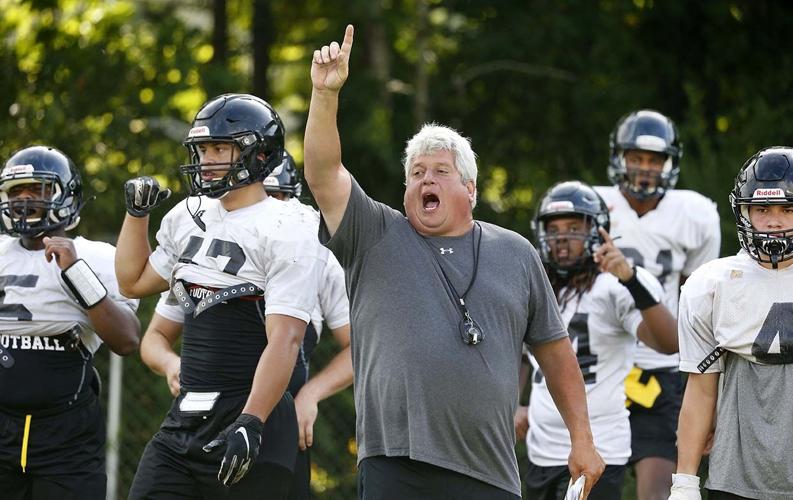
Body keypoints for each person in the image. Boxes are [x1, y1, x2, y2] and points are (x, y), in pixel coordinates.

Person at [304, 25, 605, 500]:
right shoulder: (375, 235)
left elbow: (556, 355)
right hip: (394, 464)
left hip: (488, 473)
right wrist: (324, 95)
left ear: (470, 190)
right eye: (417, 174)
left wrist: (583, 440)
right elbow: (324, 173)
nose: (427, 180)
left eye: (441, 172)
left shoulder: (517, 253)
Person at [115, 93, 326, 499]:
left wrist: (252, 420)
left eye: (220, 148)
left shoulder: (290, 224)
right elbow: (132, 283)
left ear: (259, 153)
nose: (207, 159)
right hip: (187, 417)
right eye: (203, 148)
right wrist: (136, 216)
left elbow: (286, 339)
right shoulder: (187, 214)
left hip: (250, 413)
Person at [141, 149, 353, 500]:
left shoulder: (307, 249)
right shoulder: (205, 249)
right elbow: (153, 336)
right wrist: (170, 363)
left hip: (275, 419)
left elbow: (356, 348)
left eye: (276, 195)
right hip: (195, 414)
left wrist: (310, 395)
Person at [515, 181, 678, 500]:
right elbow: (521, 353)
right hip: (542, 449)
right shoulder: (535, 284)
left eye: (574, 227)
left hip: (599, 450)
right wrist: (512, 403)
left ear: (597, 231)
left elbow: (668, 342)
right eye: (555, 228)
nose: (562, 237)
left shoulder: (617, 283)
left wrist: (630, 279)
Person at [0, 146, 140, 500]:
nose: (24, 199)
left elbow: (126, 341)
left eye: (36, 189)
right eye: (16, 191)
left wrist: (77, 273)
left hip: (66, 439)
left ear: (65, 196)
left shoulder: (95, 257)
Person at [594, 110, 720, 500]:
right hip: (600, 366)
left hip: (659, 369)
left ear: (668, 163)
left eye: (654, 160)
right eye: (637, 158)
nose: (645, 168)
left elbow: (698, 302)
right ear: (620, 158)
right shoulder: (594, 204)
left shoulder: (695, 213)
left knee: (657, 492)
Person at [670, 146, 793, 500]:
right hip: (735, 478)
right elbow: (700, 388)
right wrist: (685, 481)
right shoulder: (712, 285)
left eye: (787, 209)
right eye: (762, 209)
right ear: (744, 213)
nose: (774, 221)